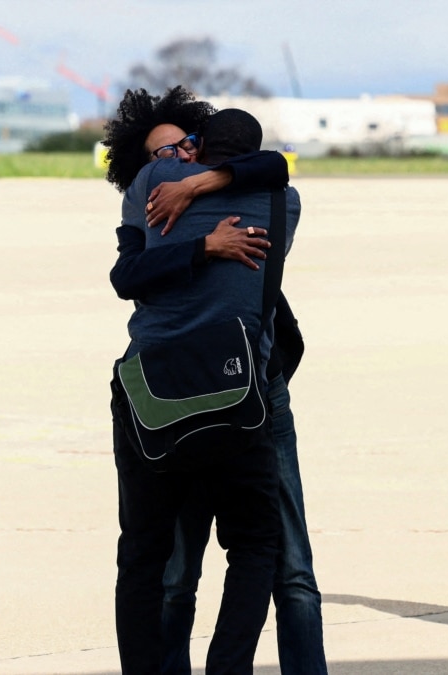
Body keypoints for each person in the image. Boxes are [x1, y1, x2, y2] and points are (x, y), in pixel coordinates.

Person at [105, 88, 327, 674]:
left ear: (200, 145)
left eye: (184, 146)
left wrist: (197, 186)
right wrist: (205, 244)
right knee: (260, 549)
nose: (174, 156)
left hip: (175, 385)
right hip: (235, 386)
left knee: (155, 557)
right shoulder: (284, 203)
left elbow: (268, 163)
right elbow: (127, 275)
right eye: (164, 151)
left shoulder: (164, 184)